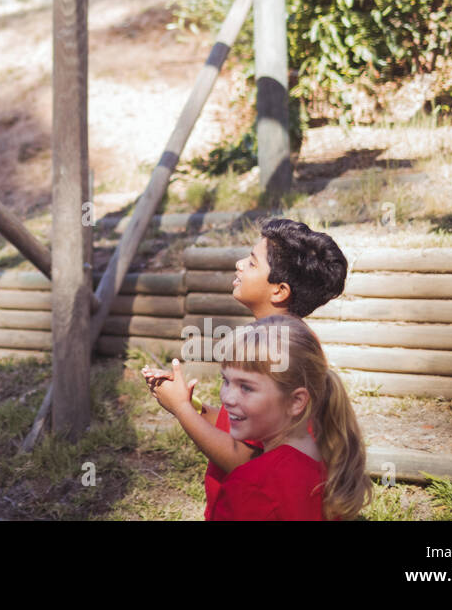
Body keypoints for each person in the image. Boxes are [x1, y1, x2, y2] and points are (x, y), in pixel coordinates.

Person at [143, 218, 348, 516]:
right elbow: (245, 427)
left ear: (279, 291)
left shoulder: (274, 352)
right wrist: (192, 406)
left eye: (252, 263)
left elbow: (242, 459)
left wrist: (182, 411)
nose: (239, 264)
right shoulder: (290, 341)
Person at [201, 315, 371, 520]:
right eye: (225, 380)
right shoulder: (331, 459)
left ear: (296, 401)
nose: (226, 398)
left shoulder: (249, 486)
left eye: (246, 387)